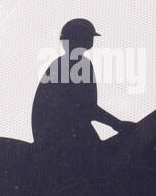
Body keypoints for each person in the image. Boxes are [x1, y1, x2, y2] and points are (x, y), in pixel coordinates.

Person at [31, 19, 132, 162]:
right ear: (81, 38)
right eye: (89, 36)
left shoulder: (59, 64)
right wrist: (118, 125)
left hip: (52, 138)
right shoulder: (80, 65)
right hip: (68, 135)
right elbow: (87, 108)